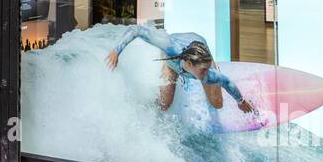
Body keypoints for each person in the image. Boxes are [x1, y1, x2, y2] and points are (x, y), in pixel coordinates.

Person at [104, 24, 256, 115]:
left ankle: (209, 67)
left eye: (208, 68)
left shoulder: (208, 72)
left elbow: (227, 82)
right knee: (164, 105)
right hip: (174, 61)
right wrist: (116, 51)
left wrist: (241, 101)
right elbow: (137, 30)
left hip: (199, 49)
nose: (207, 74)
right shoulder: (169, 47)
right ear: (189, 64)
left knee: (217, 103)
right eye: (204, 70)